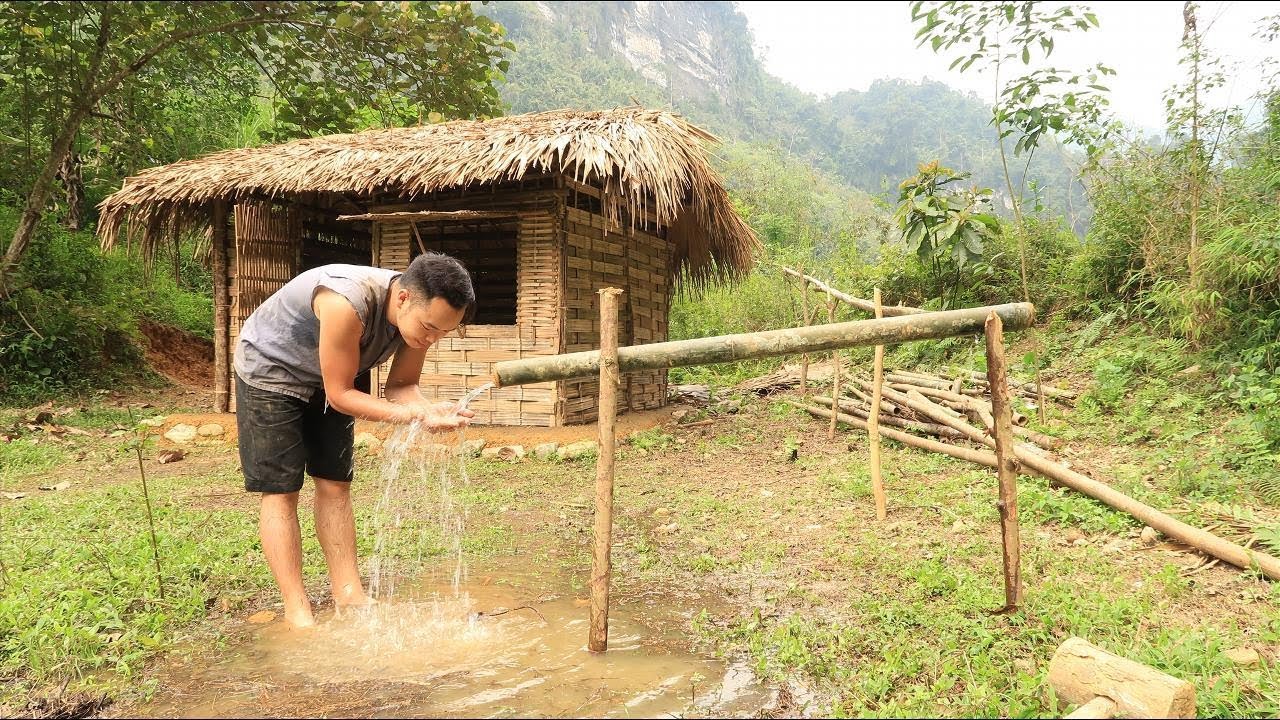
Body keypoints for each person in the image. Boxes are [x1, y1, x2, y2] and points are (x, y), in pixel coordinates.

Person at [233, 252, 476, 627]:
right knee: (282, 489)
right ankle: (297, 609)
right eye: (430, 328)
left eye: (444, 332)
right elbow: (340, 395)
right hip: (272, 370)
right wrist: (413, 414)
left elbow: (402, 386)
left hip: (335, 375)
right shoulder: (346, 302)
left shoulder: (421, 319)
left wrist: (429, 410)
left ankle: (350, 594)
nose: (433, 338)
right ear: (403, 298)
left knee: (335, 483)